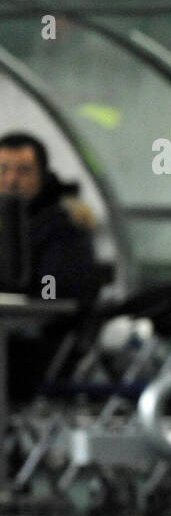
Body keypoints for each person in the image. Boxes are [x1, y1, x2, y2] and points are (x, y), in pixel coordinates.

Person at [0, 132, 100, 403]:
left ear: (42, 176)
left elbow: (53, 289)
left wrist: (30, 294)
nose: (11, 180)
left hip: (37, 341)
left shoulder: (61, 227)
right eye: (3, 170)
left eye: (23, 171)